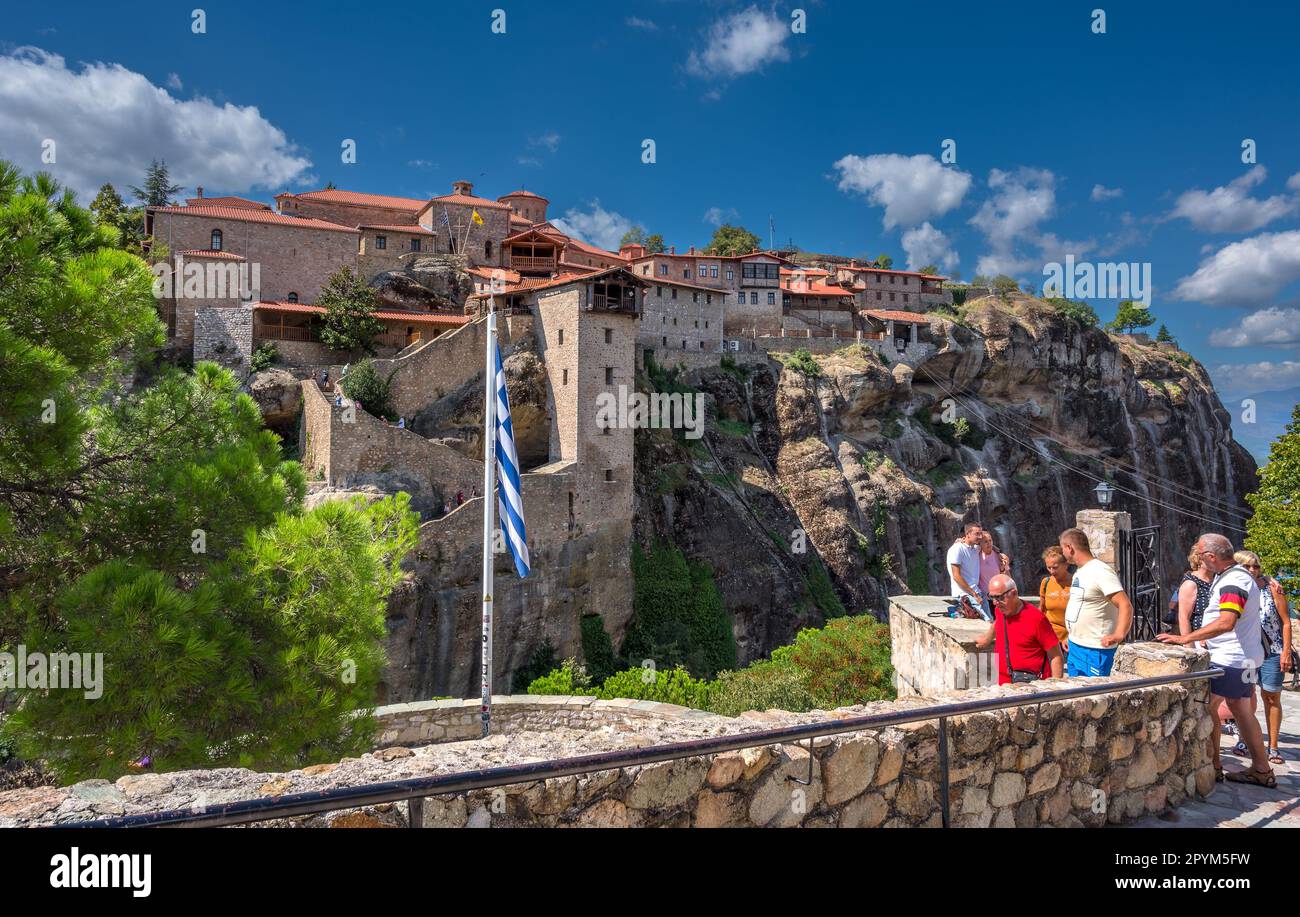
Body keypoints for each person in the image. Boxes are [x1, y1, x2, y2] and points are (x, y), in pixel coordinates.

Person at [1157, 534, 1274, 787]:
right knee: (1242, 711)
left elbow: (1226, 622)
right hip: (1243, 657)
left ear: (1211, 557)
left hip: (1229, 659)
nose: (1197, 558)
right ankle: (1262, 769)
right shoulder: (1237, 576)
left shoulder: (1233, 582)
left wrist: (1184, 638)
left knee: (1208, 710)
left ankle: (1215, 766)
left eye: (1200, 554)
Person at [1237, 550, 1291, 765]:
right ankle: (1245, 739)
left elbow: (1286, 622)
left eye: (1256, 566)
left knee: (1271, 697)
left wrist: (1286, 651)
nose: (1253, 570)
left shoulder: (1272, 589)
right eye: (1248, 566)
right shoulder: (1237, 589)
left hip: (1272, 652)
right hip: (1248, 652)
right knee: (1245, 696)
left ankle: (1273, 746)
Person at [1058, 528, 1133, 676]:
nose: (1063, 553)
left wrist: (1118, 634)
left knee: (1095, 696)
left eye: (1062, 549)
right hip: (1075, 646)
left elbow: (1125, 604)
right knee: (1076, 695)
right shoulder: (1080, 571)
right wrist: (1072, 635)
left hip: (1095, 649)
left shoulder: (1101, 571)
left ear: (1069, 548)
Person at [974, 574, 1063, 685]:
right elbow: (997, 623)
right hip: (1003, 683)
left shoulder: (1036, 618)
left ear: (1014, 593)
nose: (995, 603)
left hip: (1031, 685)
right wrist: (987, 639)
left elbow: (1056, 655)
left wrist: (1055, 688)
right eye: (992, 597)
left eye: (999, 597)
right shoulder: (1000, 610)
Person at [947, 522, 987, 619]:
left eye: (981, 533)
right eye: (977, 534)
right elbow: (956, 576)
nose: (980, 536)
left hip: (978, 593)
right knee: (987, 621)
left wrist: (999, 553)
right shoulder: (957, 549)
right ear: (968, 534)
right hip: (964, 595)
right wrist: (973, 593)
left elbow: (988, 545)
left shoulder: (975, 548)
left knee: (990, 622)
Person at [1038, 545, 1072, 653]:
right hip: (1049, 638)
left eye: (1055, 567)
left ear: (1066, 565)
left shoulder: (1076, 582)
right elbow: (1042, 610)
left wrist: (1071, 637)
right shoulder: (1046, 582)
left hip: (1071, 640)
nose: (1052, 571)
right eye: (1049, 567)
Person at [1177, 545, 1214, 637]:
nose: (1215, 559)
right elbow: (1183, 618)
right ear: (1199, 558)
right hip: (1199, 640)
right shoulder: (1191, 583)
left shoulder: (1218, 579)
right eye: (1211, 556)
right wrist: (1190, 647)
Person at [977, 531, 1010, 602]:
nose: (989, 543)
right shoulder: (976, 556)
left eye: (990, 540)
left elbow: (1007, 577)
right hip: (984, 598)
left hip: (999, 596)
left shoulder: (1000, 556)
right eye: (985, 541)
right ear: (980, 544)